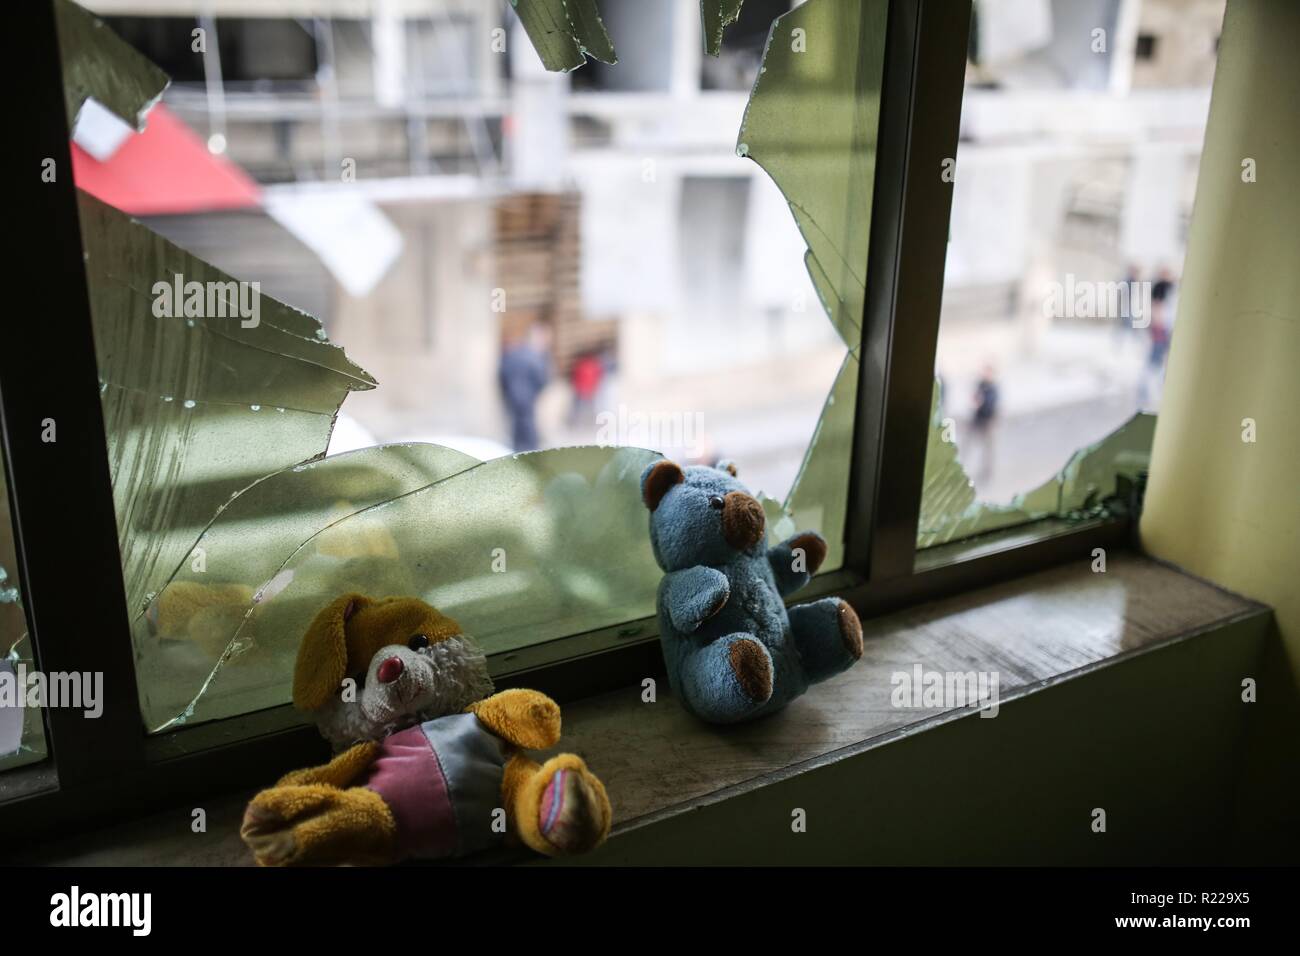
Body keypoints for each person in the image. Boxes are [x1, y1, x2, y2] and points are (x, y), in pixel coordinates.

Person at [498, 321, 551, 452]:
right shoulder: (534, 356)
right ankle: (529, 451)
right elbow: (542, 378)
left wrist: (506, 391)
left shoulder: (512, 354)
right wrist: (536, 392)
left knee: (516, 423)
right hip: (527, 396)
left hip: (512, 395)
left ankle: (517, 449)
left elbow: (502, 374)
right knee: (528, 425)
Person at [967, 364, 1000, 485]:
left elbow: (992, 405)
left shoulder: (994, 388)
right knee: (969, 443)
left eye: (988, 372)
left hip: (987, 422)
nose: (985, 374)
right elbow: (975, 398)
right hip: (977, 419)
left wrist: (983, 402)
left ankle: (987, 473)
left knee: (988, 449)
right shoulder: (981, 384)